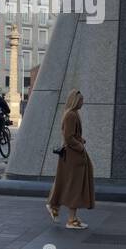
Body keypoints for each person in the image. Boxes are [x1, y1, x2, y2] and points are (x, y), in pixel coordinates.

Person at [46, 89, 94, 230]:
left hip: (72, 155)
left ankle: (56, 207)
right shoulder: (72, 115)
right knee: (75, 186)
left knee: (68, 184)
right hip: (74, 157)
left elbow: (70, 135)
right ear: (76, 101)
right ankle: (71, 219)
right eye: (81, 100)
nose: (83, 102)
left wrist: (80, 140)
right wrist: (79, 146)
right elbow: (68, 137)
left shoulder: (71, 114)